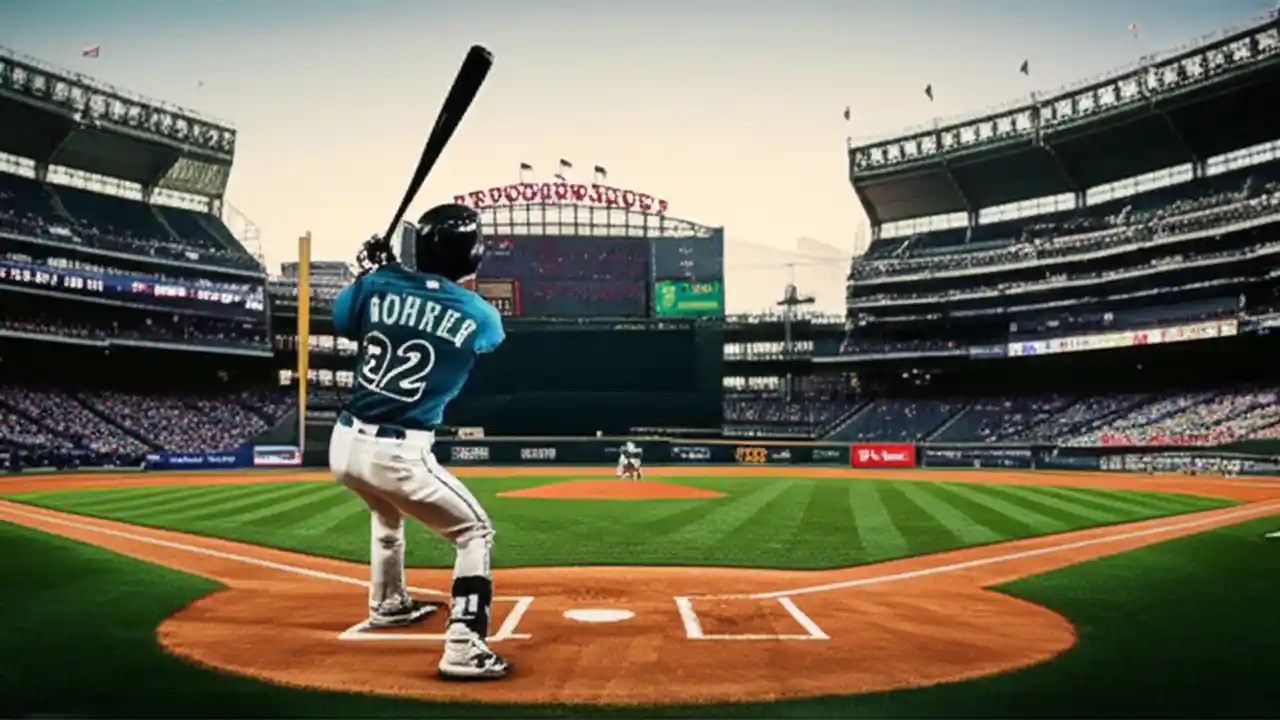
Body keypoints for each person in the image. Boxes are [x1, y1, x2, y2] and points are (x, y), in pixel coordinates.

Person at [329, 203, 510, 681]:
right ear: (471, 255)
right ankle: (464, 646)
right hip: (399, 450)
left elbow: (344, 321)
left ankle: (387, 604)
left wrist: (374, 271)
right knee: (475, 534)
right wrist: (394, 275)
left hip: (344, 444)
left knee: (385, 516)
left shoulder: (375, 284)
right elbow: (485, 339)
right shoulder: (480, 314)